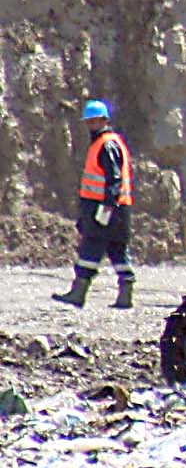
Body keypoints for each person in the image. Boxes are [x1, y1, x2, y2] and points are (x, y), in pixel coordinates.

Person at [53, 100, 135, 310]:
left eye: (94, 121)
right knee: (117, 250)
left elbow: (114, 179)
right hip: (117, 208)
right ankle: (125, 295)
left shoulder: (106, 144)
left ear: (104, 120)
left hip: (105, 207)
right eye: (88, 122)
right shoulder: (108, 143)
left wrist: (106, 207)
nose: (90, 125)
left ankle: (78, 293)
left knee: (91, 247)